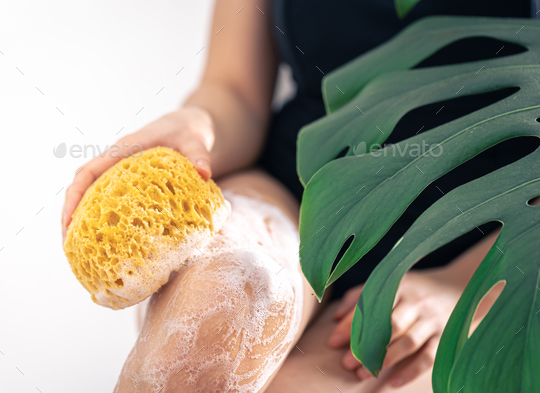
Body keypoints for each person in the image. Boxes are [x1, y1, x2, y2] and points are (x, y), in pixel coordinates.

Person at [61, 1, 536, 391]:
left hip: (492, 233)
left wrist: (464, 286)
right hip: (303, 186)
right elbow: (234, 92)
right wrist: (199, 126)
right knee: (216, 307)